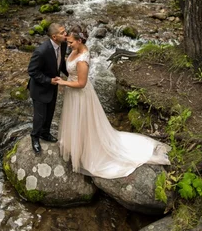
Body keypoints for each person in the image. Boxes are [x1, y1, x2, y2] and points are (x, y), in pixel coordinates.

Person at [56, 24, 169, 178]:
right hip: (73, 94)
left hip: (80, 94)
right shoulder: (76, 50)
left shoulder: (83, 59)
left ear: (80, 41)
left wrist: (63, 83)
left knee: (83, 121)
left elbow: (81, 83)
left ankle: (88, 152)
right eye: (68, 42)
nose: (68, 45)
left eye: (71, 42)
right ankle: (79, 147)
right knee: (77, 121)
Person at [27, 22, 68, 154]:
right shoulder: (41, 51)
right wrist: (48, 80)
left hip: (53, 87)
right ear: (54, 37)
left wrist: (71, 75)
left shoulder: (63, 44)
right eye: (62, 33)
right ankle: (35, 138)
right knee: (39, 116)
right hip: (39, 88)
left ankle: (45, 133)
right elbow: (32, 71)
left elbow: (60, 63)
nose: (65, 34)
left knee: (50, 113)